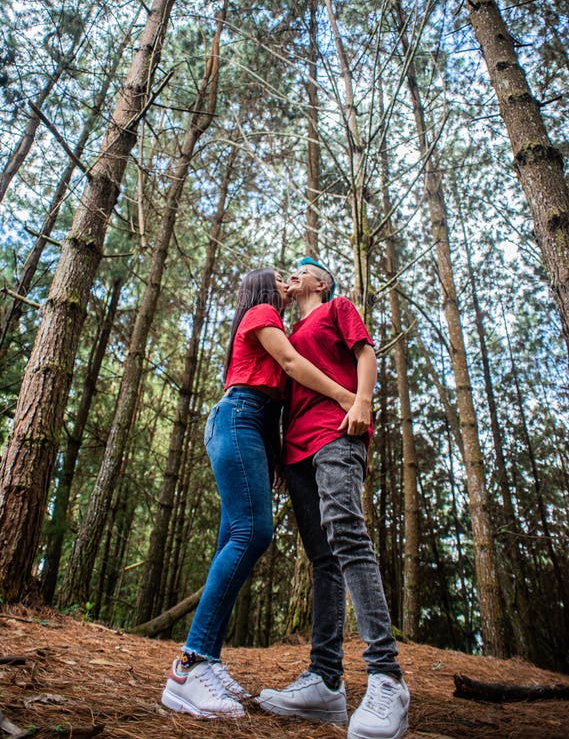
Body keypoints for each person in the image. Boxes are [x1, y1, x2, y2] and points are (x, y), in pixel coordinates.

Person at [161, 267, 357, 720]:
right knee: (254, 532)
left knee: (232, 539)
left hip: (252, 426)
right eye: (282, 276)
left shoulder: (275, 321)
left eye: (296, 275)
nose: (289, 281)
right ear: (266, 288)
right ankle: (189, 664)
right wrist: (346, 397)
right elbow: (290, 365)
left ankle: (208, 661)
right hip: (239, 417)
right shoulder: (262, 312)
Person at [258, 258, 410, 739]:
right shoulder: (286, 331)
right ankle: (325, 682)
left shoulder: (338, 307)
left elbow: (365, 354)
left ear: (322, 282)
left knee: (347, 536)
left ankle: (387, 677)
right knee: (322, 560)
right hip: (297, 450)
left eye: (304, 269)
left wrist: (362, 400)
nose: (294, 273)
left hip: (338, 432)